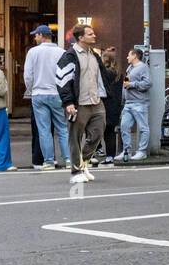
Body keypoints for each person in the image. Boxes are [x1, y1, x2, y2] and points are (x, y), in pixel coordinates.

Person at [57, 24, 107, 185]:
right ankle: (76, 171)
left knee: (98, 133)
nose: (94, 35)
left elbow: (101, 76)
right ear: (80, 37)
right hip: (79, 103)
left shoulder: (94, 54)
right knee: (75, 137)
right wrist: (68, 102)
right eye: (90, 34)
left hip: (96, 100)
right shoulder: (69, 56)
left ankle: (83, 162)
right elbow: (62, 80)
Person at [23, 25, 69, 171]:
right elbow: (67, 74)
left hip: (38, 94)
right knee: (62, 128)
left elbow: (28, 75)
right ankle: (68, 159)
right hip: (57, 93)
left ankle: (48, 161)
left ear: (42, 35)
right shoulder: (62, 52)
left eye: (35, 35)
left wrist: (31, 89)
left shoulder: (33, 52)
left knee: (44, 130)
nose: (34, 38)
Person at [119, 47, 151, 161]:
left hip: (139, 102)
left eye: (129, 55)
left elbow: (147, 83)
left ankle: (142, 151)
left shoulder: (143, 67)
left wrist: (132, 84)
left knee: (143, 127)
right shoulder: (130, 68)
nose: (127, 57)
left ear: (135, 56)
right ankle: (126, 151)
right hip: (128, 103)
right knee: (124, 126)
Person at [98, 48, 123, 167]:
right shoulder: (119, 73)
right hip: (115, 106)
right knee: (110, 132)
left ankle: (103, 155)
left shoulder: (106, 73)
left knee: (102, 132)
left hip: (105, 104)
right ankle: (110, 158)